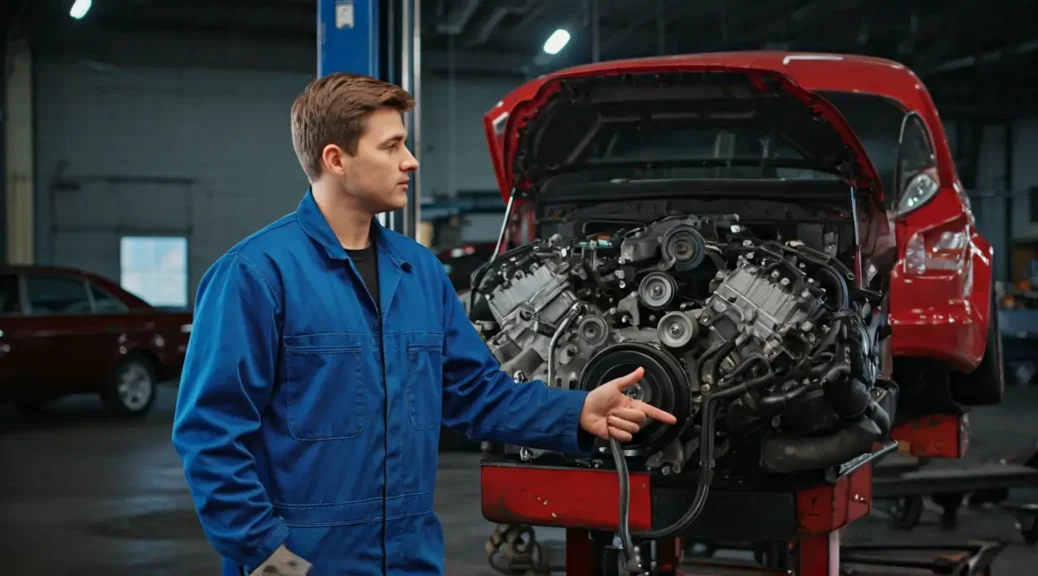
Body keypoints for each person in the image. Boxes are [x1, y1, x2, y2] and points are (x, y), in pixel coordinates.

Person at [171, 72, 676, 576]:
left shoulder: (419, 272)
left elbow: (475, 394)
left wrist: (576, 412)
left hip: (410, 559)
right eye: (391, 146)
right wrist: (267, 556)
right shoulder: (255, 276)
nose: (410, 160)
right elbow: (209, 434)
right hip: (303, 564)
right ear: (335, 159)